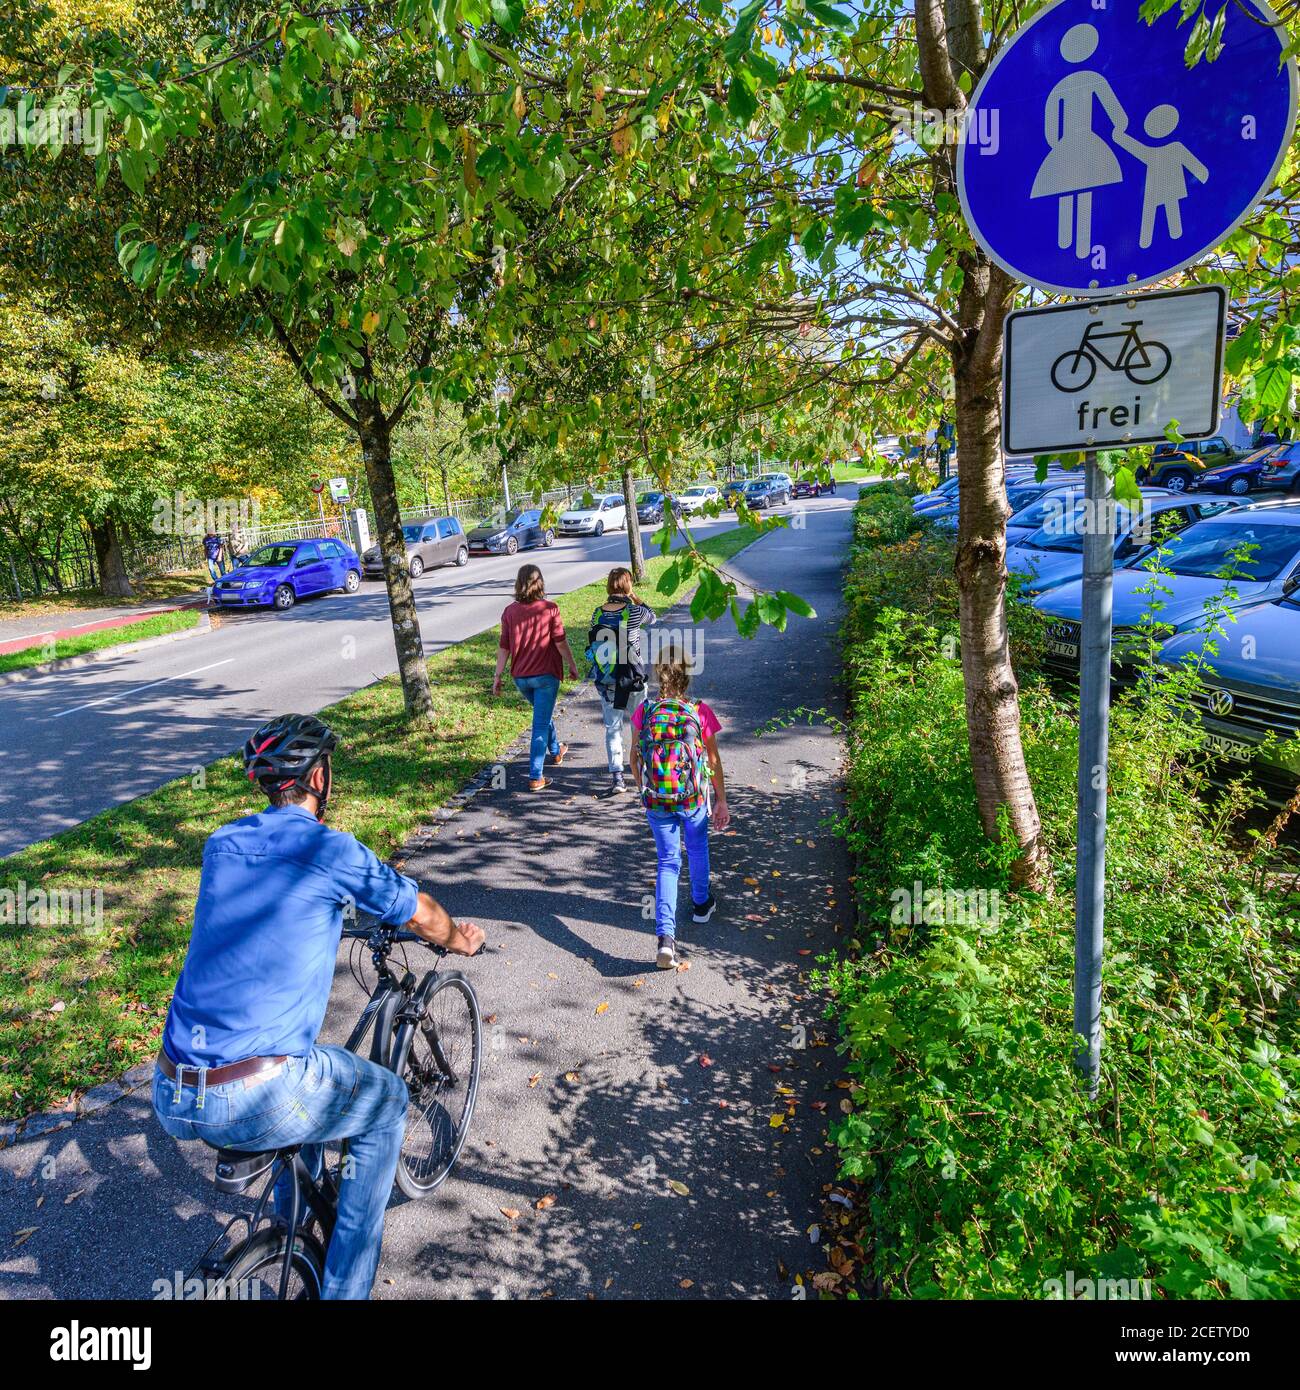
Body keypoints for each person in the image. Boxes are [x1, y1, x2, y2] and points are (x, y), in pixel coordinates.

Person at [151, 713, 484, 1300]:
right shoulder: (332, 851)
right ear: (320, 776)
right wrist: (458, 938)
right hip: (255, 1092)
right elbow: (418, 913)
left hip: (173, 1089)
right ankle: (346, 1289)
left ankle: (294, 1223)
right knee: (388, 1103)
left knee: (312, 1070)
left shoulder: (222, 845)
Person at [628, 646, 731, 969]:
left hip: (657, 799)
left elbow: (634, 756)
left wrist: (642, 786)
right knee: (697, 850)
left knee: (668, 862)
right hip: (692, 799)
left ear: (659, 675)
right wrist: (721, 800)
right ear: (688, 675)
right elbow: (712, 760)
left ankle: (666, 941)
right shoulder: (699, 711)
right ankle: (701, 905)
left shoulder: (644, 711)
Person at [493, 564, 578, 791]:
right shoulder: (550, 609)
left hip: (521, 678)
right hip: (546, 675)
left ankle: (556, 750)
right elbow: (560, 642)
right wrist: (572, 665)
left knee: (543, 715)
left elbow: (504, 646)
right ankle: (535, 776)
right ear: (540, 582)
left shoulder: (510, 612)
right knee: (540, 723)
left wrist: (497, 675)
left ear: (518, 583)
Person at [586, 567, 656, 797]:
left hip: (607, 680)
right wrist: (635, 597)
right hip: (632, 678)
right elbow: (653, 617)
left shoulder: (597, 614)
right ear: (628, 586)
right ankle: (645, 776)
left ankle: (617, 778)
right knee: (641, 727)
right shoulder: (634, 612)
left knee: (612, 728)